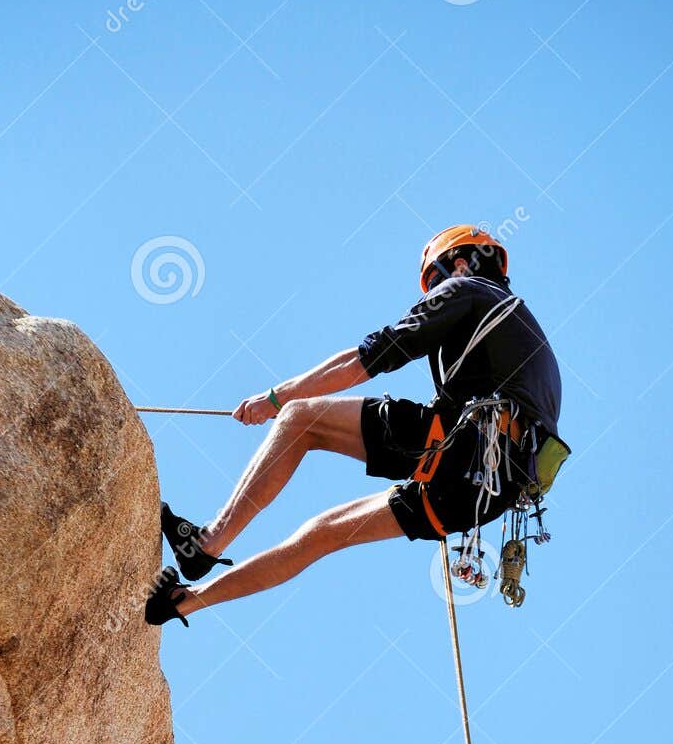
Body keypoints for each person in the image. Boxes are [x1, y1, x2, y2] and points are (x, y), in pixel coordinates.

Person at [146, 224, 567, 627]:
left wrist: (276, 400)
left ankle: (206, 544)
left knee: (300, 419)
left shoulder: (467, 290)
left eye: (435, 278)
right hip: (483, 492)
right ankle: (186, 602)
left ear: (460, 264)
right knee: (321, 534)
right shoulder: (526, 342)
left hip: (464, 452)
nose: (434, 291)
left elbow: (367, 358)